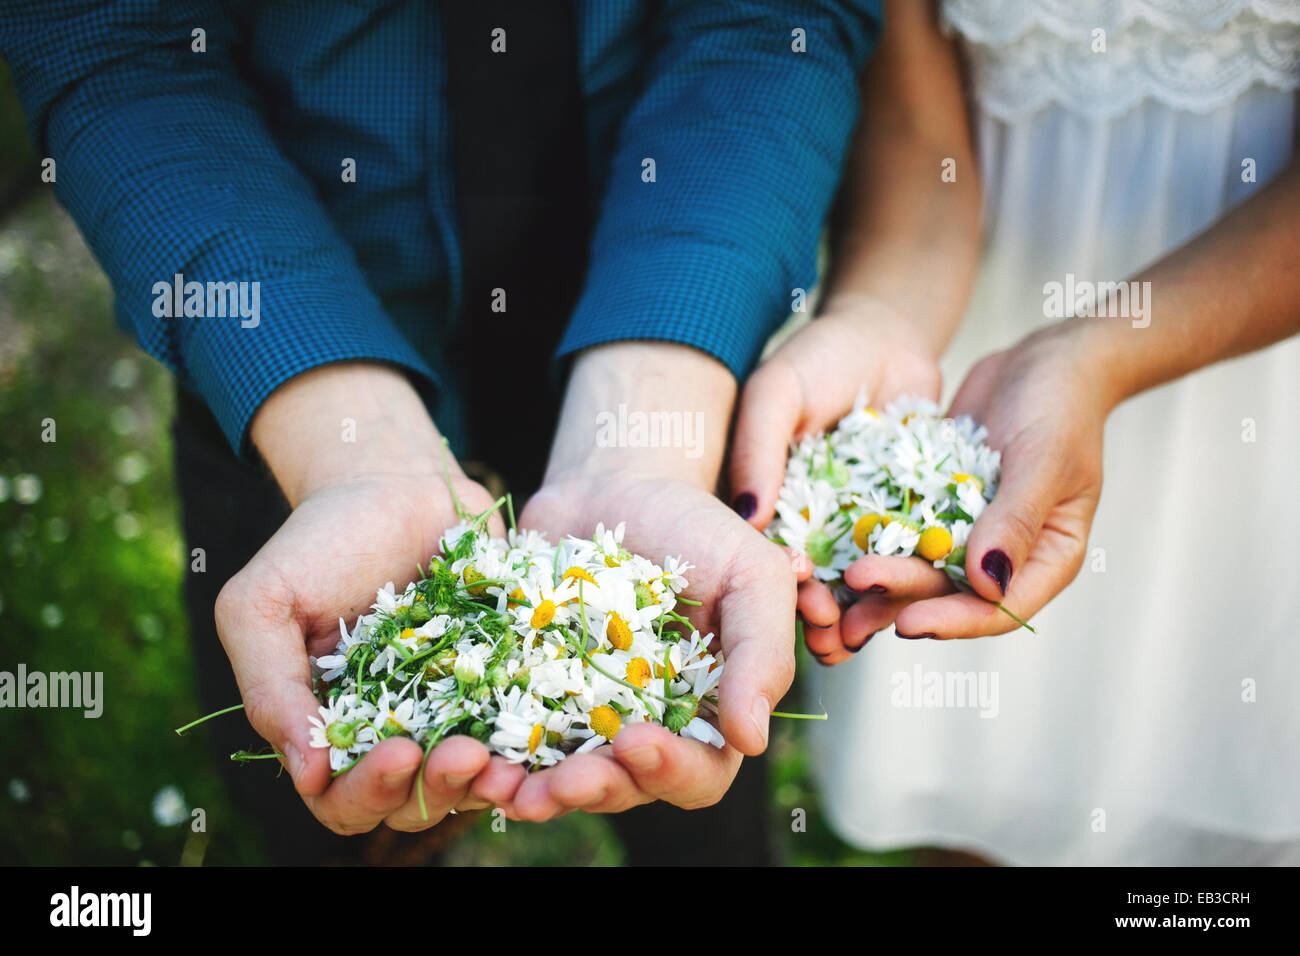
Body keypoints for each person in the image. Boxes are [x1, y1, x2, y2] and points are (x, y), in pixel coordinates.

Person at [0, 0, 882, 863]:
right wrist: (343, 443)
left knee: (695, 786)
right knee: (323, 781)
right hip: (297, 389)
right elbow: (109, 33)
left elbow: (774, 18)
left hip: (663, 349)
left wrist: (652, 427)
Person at [731, 0, 1300, 864]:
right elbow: (924, 142)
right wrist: (876, 318)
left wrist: (1093, 358)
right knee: (981, 759)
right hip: (975, 348)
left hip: (1245, 347)